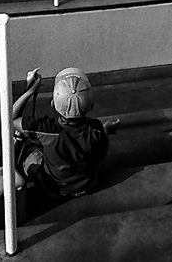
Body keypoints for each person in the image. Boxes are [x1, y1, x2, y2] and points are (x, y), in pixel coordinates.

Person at [13, 67, 119, 200]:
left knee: (30, 153)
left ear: (53, 104)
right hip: (87, 186)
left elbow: (10, 119)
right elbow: (100, 154)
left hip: (52, 189)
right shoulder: (96, 129)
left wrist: (30, 89)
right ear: (91, 106)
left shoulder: (46, 129)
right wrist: (105, 132)